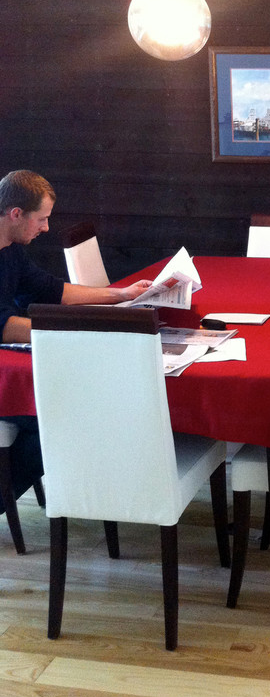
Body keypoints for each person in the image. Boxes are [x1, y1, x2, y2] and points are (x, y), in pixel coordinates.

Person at [0, 169, 153, 513]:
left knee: (70, 414)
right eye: (41, 219)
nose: (45, 228)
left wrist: (120, 295)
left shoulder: (10, 249)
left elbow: (53, 289)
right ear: (15, 214)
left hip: (11, 364)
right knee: (70, 417)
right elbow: (4, 326)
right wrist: (71, 327)